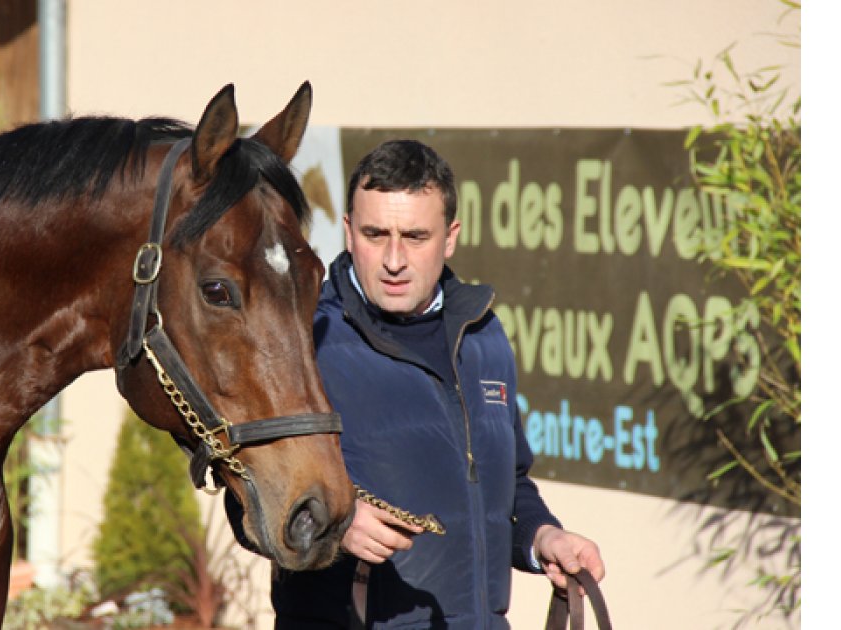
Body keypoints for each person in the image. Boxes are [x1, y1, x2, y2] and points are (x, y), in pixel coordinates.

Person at [226, 140, 605, 629]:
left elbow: (506, 483)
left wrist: (543, 539)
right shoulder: (305, 340)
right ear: (347, 231)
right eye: (375, 233)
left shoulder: (485, 335)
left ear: (450, 238)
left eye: (416, 236)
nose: (394, 259)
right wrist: (333, 528)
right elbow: (247, 497)